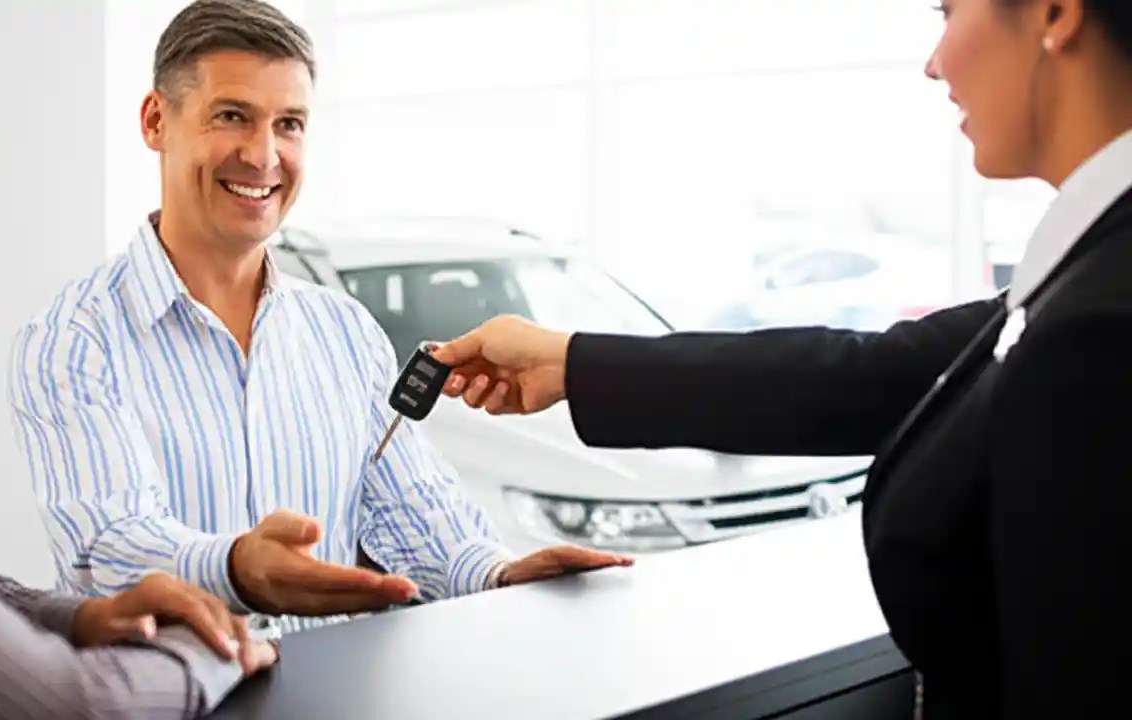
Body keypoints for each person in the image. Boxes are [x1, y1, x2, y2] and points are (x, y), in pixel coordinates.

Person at [431, 0, 1132, 717]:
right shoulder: (1085, 271)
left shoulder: (1101, 326)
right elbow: (871, 374)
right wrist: (572, 363)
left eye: (948, 11)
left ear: (1055, 11)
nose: (934, 62)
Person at [7, 0, 632, 638]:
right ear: (154, 121)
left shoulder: (344, 331)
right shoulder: (75, 341)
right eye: (232, 116)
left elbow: (413, 511)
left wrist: (500, 575)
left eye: (289, 124)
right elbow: (108, 551)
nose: (264, 155)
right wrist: (237, 568)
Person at [0, 0, 281, 717]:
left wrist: (75, 618)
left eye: (289, 122)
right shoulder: (73, 336)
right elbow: (73, 708)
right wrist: (214, 644)